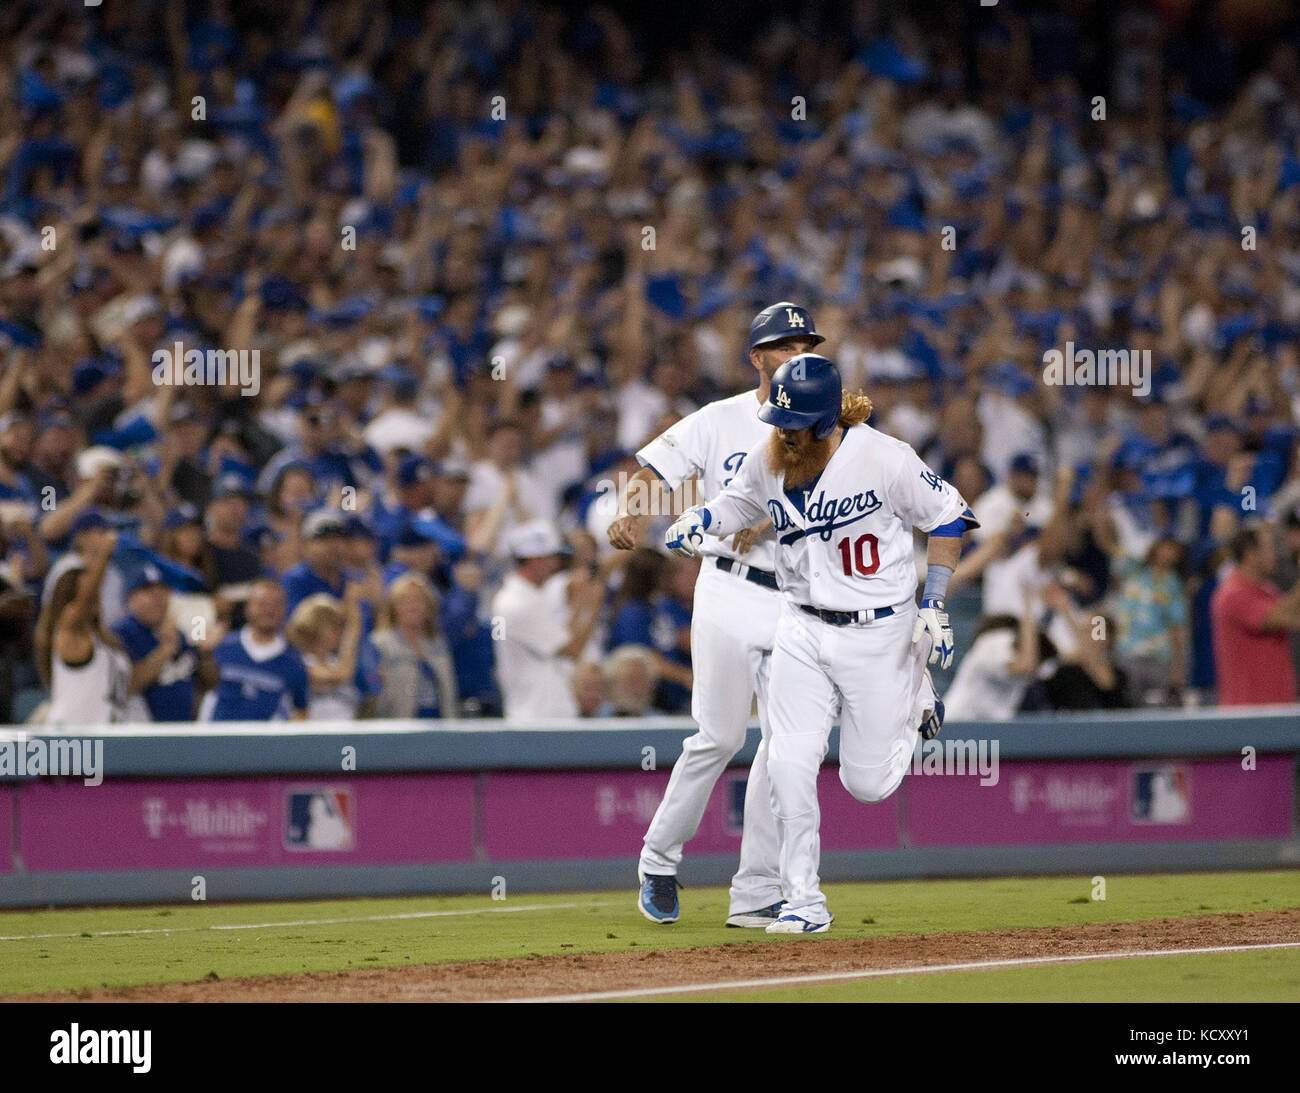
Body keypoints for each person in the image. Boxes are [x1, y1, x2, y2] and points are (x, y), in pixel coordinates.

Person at [666, 353, 976, 933]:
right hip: (801, 626)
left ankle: (918, 694)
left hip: (879, 631)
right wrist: (702, 517)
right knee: (786, 762)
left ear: (827, 419)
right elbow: (741, 500)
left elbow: (950, 516)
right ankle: (804, 901)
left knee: (868, 784)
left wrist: (933, 600)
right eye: (778, 420)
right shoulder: (773, 456)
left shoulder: (884, 457)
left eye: (793, 422)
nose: (781, 431)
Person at [607, 301, 823, 929]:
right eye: (785, 346)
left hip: (794, 596)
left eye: (805, 345)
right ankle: (658, 858)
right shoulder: (721, 418)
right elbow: (654, 466)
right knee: (721, 736)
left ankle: (755, 891)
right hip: (727, 588)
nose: (798, 355)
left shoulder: (830, 429)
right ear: (757, 357)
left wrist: (777, 519)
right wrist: (633, 512)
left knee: (784, 746)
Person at [491, 520, 602, 721]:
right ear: (535, 559)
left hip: (543, 712)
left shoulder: (530, 596)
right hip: (534, 716)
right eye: (551, 558)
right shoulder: (517, 602)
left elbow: (565, 638)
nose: (556, 565)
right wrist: (593, 604)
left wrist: (579, 605)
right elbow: (573, 650)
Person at [34, 529, 144, 725]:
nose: (96, 596)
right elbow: (84, 599)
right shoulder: (67, 631)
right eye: (90, 592)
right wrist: (103, 553)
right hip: (72, 739)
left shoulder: (105, 640)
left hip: (108, 737)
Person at [1210, 525, 1300, 705]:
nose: (1275, 554)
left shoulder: (1267, 590)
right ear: (1251, 554)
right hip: (1248, 710)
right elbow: (1275, 617)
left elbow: (1293, 618)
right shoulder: (1232, 593)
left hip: (1277, 705)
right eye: (1269, 547)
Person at [203, 579, 309, 721]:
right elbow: (205, 686)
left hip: (267, 741)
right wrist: (206, 654)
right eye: (262, 604)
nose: (269, 610)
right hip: (219, 737)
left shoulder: (294, 662)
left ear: (285, 609)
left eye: (276, 604)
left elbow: (301, 710)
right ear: (248, 607)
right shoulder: (223, 645)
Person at [367, 572, 458, 719]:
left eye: (418, 600)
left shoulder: (439, 645)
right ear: (394, 607)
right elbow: (373, 691)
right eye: (405, 601)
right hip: (398, 727)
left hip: (439, 725)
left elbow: (450, 690)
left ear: (429, 607)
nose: (412, 606)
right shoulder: (379, 644)